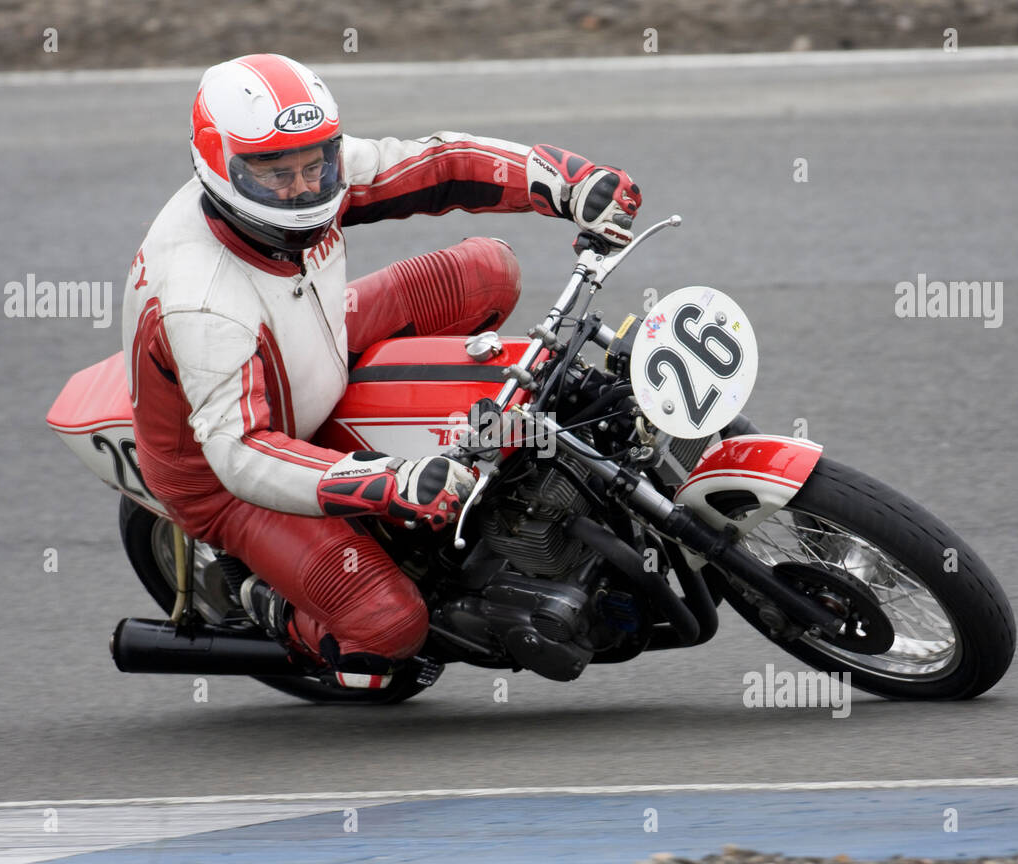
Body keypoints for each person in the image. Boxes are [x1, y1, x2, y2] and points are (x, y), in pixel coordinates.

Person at [121, 53, 642, 687]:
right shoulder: (203, 300)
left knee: (488, 271)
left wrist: (562, 181)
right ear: (220, 168)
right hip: (224, 471)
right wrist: (387, 480)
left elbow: (440, 166)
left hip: (313, 342)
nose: (305, 189)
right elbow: (243, 453)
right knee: (392, 633)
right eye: (277, 175)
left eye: (318, 164)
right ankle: (269, 607)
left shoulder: (307, 171)